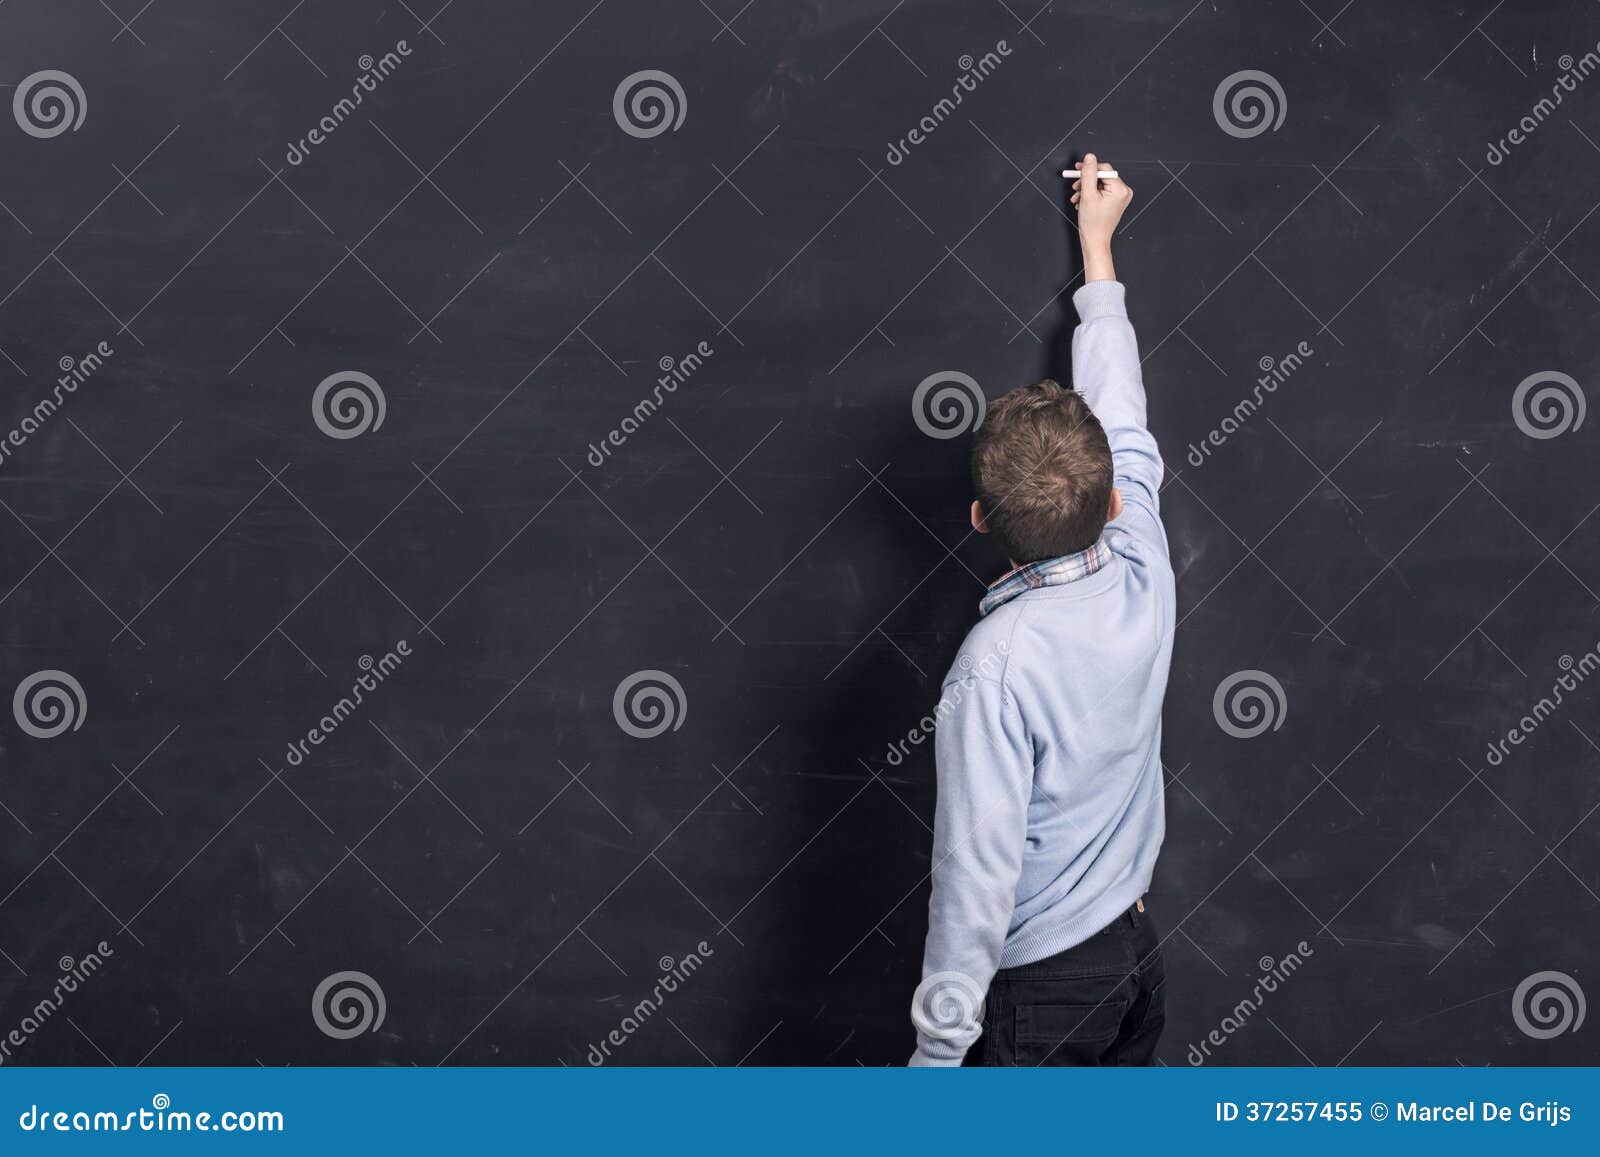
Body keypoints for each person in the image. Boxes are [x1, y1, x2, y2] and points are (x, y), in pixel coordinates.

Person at [909, 156, 1175, 1066]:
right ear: (1113, 502)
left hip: (1046, 988)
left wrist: (937, 1056)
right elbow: (1123, 418)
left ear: (981, 519)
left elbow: (973, 877)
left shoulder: (995, 663)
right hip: (1134, 961)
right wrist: (1099, 252)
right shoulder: (1143, 565)